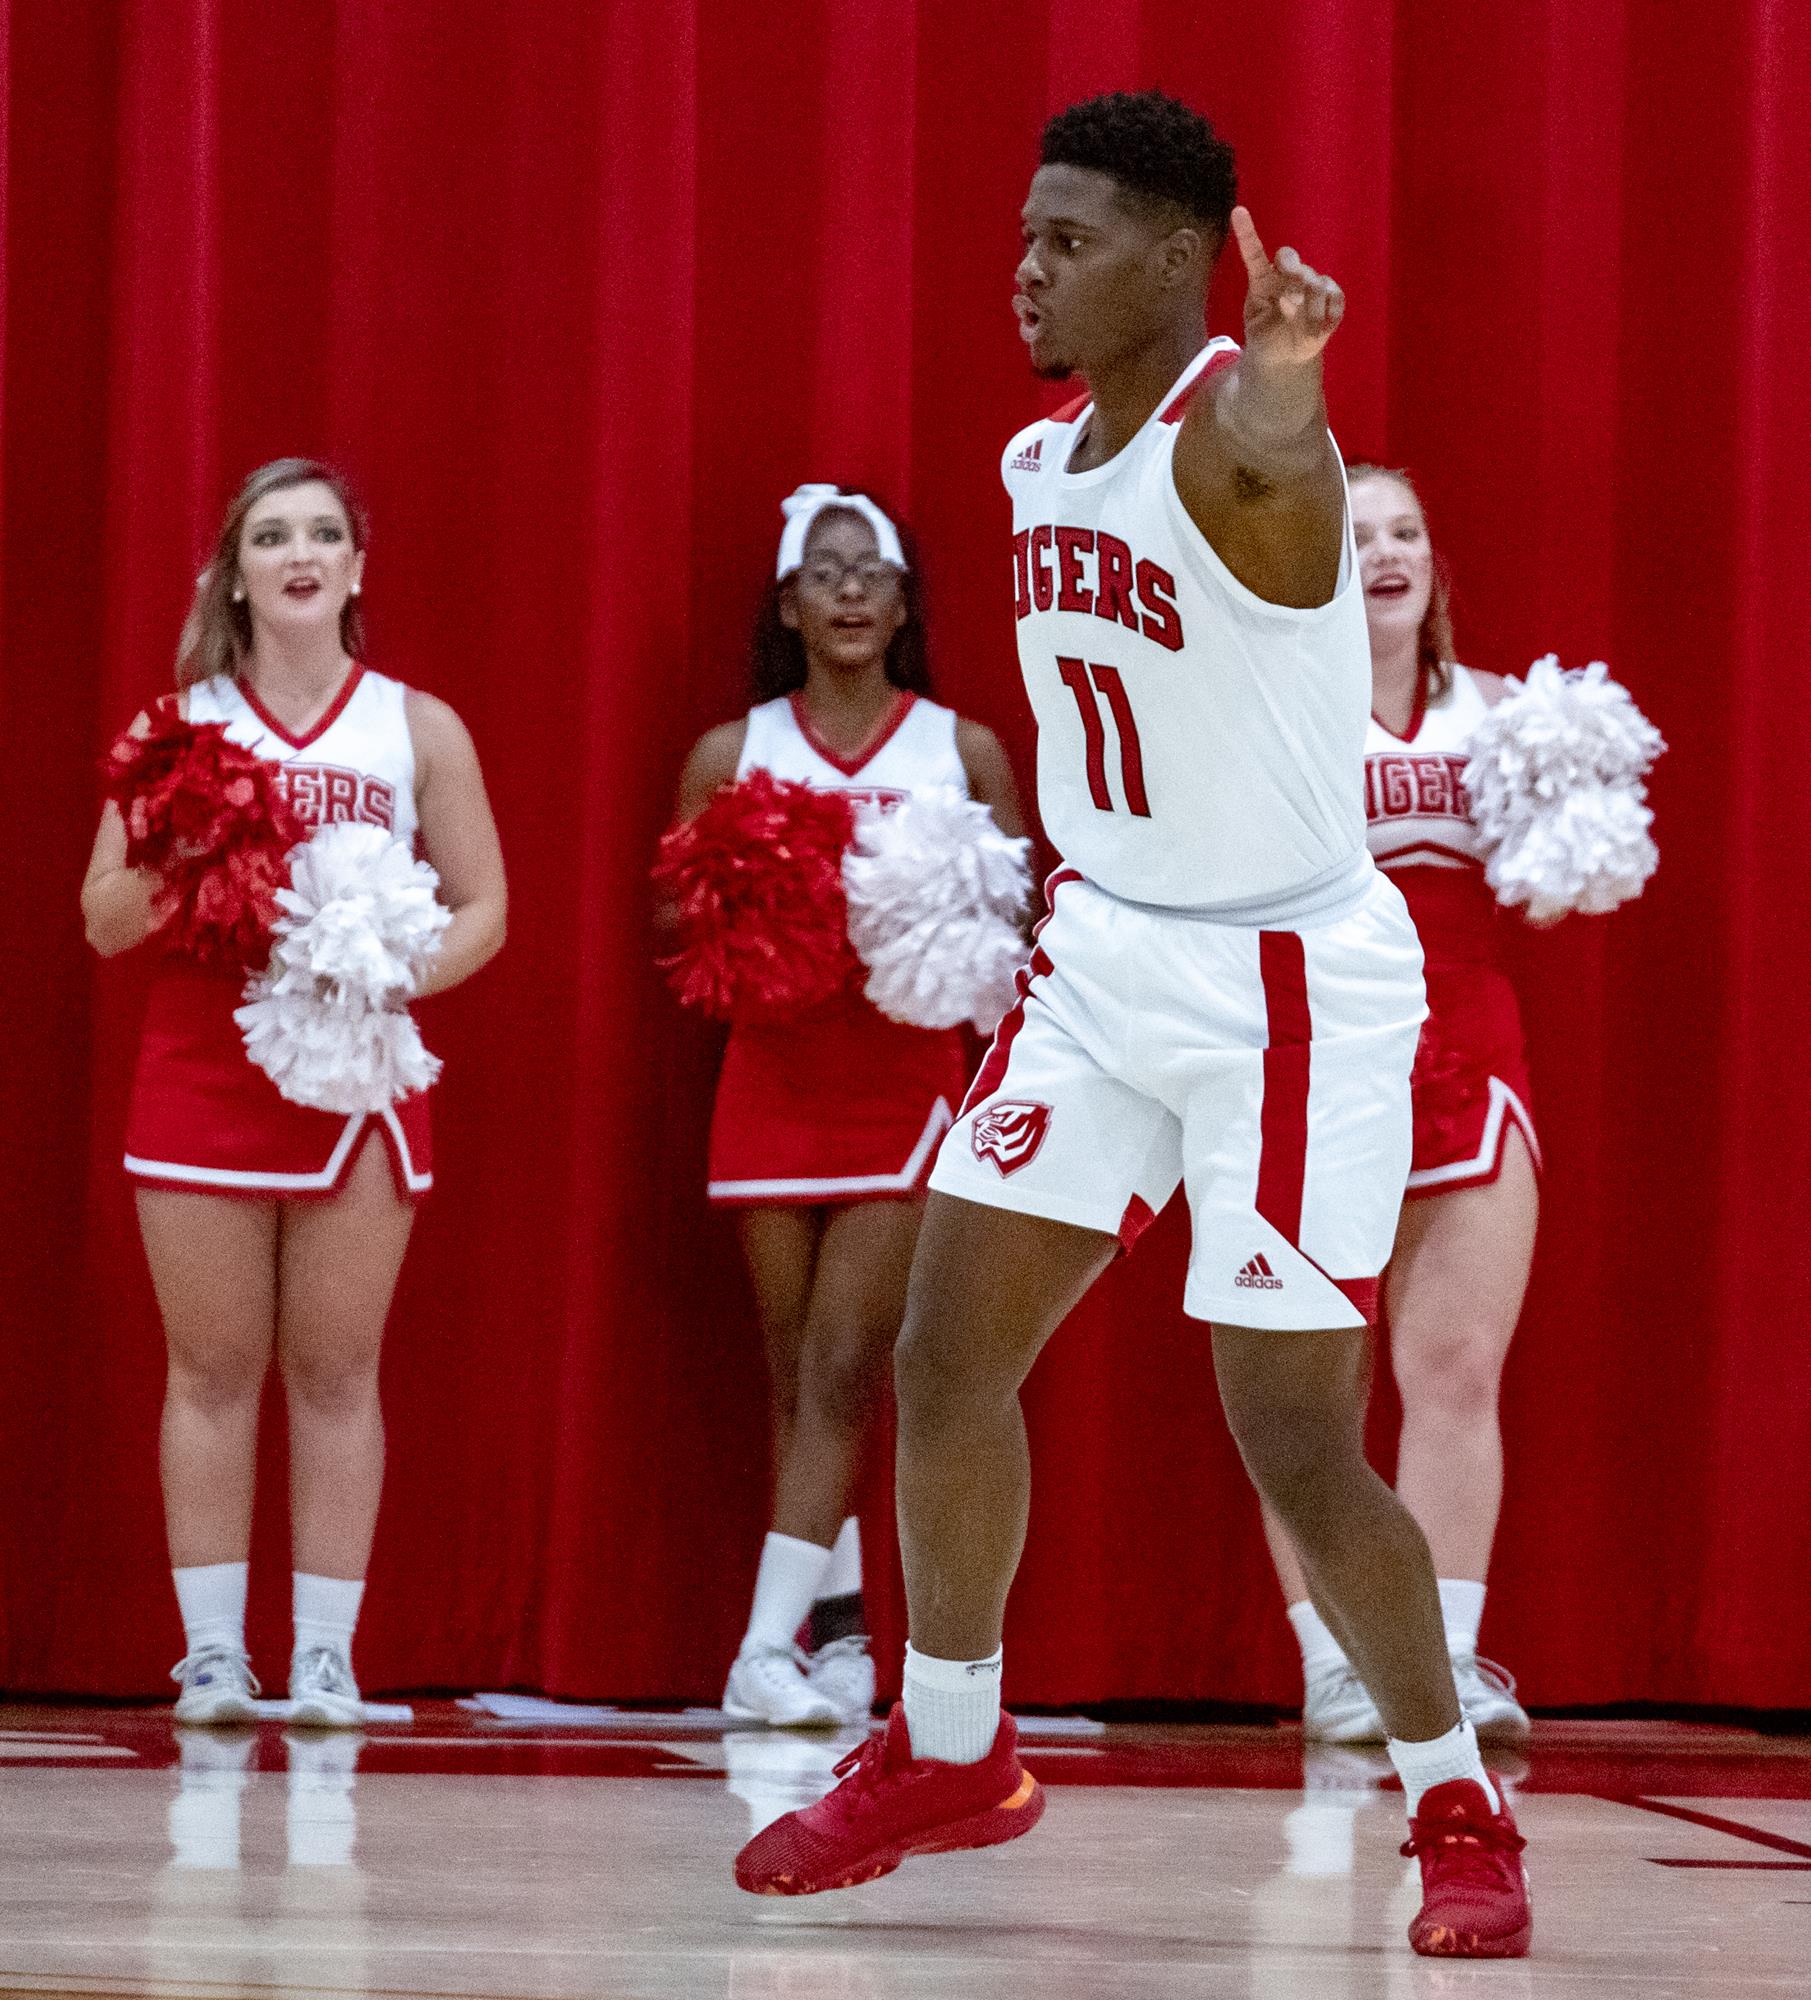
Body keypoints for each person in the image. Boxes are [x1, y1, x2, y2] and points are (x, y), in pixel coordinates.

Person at [734, 93, 1532, 1960]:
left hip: (1285, 985)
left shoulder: (1243, 453)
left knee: (1294, 1442)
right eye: (1024, 236)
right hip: (1104, 962)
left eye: (1071, 242)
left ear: (1181, 261)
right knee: (942, 1359)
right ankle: (951, 1747)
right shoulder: (1036, 464)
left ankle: (1454, 1798)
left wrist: (1283, 376)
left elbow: (1277, 455)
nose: (1028, 267)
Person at [82, 458, 506, 1729]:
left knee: (335, 1368)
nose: (300, 551)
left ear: (356, 568)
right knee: (210, 1367)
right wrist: (194, 861)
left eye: (324, 532)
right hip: (204, 1070)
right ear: (238, 572)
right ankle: (213, 1658)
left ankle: (326, 1658)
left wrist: (382, 966)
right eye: (272, 535)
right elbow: (101, 917)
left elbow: (488, 906)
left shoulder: (415, 725)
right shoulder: (182, 724)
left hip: (358, 1076)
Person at [669, 485, 1024, 1729]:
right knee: (792, 1378)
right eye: (825, 572)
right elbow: (676, 921)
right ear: (787, 602)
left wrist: (914, 921)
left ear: (905, 599)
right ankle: (837, 1628)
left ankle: (756, 1650)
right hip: (770, 1084)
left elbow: (1021, 923)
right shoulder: (734, 751)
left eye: (873, 570)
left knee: (839, 1364)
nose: (852, 590)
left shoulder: (959, 747)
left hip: (903, 1093)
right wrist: (770, 913)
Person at [1264, 465, 1538, 1746]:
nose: (1385, 551)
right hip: (1314, 1052)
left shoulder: (1508, 718)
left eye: (1406, 530)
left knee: (1454, 1363)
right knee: (1307, 1379)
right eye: (1357, 531)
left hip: (1471, 1055)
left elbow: (1574, 868)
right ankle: (1331, 1660)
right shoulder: (1275, 714)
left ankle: (1448, 1655)